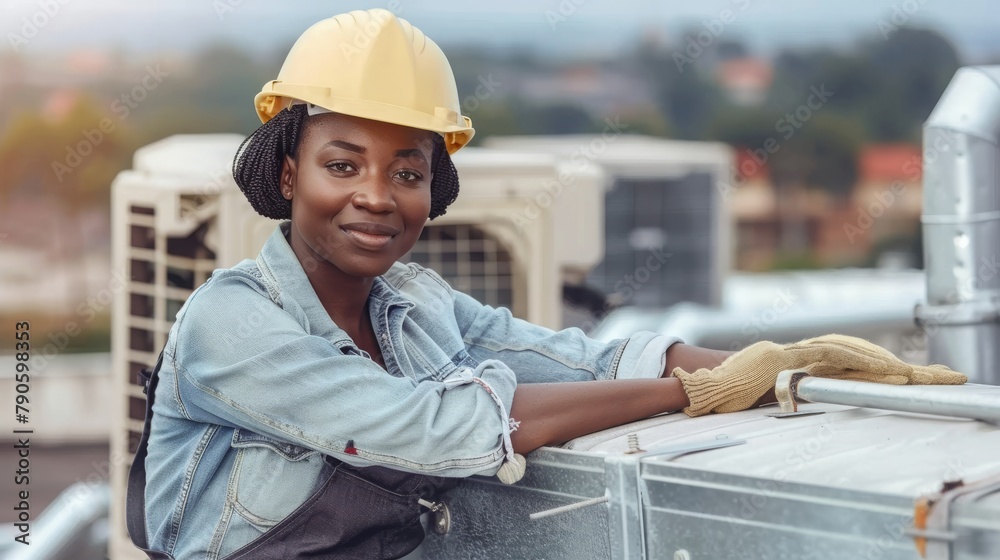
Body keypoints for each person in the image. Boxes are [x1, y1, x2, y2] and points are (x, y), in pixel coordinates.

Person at [126, 8, 967, 560]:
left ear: (433, 189)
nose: (377, 196)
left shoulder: (416, 305)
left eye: (407, 171)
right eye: (342, 164)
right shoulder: (231, 325)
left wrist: (792, 364)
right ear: (285, 169)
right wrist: (695, 394)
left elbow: (585, 361)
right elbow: (436, 427)